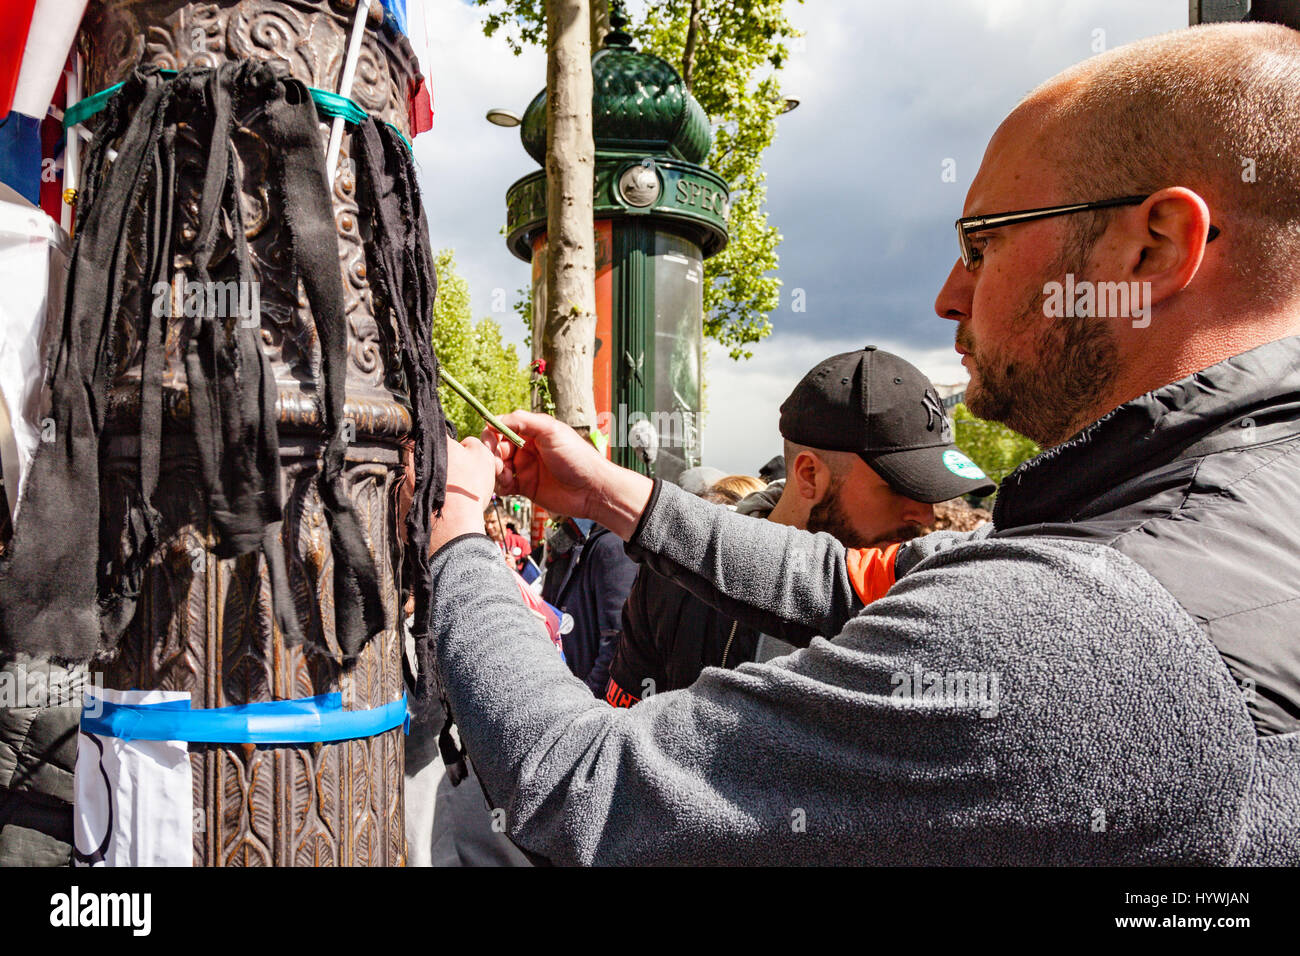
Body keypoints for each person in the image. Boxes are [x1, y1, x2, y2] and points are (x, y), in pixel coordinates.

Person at [421, 23, 1300, 864]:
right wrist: (604, 492)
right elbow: (843, 580)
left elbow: (578, 785)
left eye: (982, 244)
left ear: (1157, 245)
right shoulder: (1220, 509)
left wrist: (458, 529)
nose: (950, 297)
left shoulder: (1089, 628)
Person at [605, 349, 993, 706]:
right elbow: (625, 726)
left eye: (930, 492)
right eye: (900, 487)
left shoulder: (918, 594)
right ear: (808, 474)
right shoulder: (673, 578)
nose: (924, 516)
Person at [537, 516, 638, 697]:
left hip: (587, 700)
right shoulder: (572, 538)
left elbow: (616, 638)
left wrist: (587, 696)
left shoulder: (611, 545)